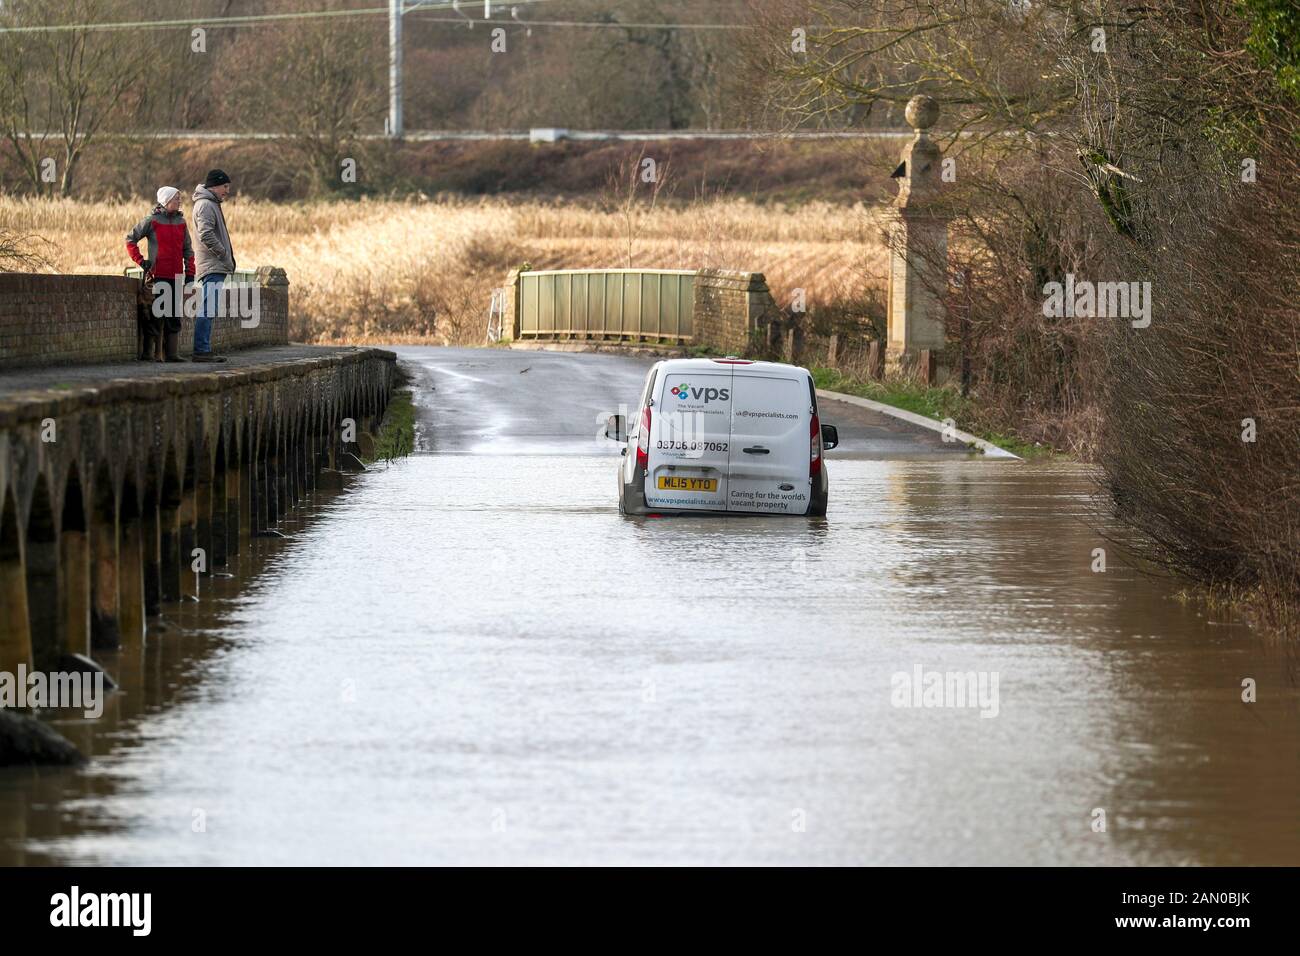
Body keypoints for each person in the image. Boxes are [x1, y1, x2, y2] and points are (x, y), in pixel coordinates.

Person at [126, 186, 195, 363]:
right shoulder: (152, 221)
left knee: (174, 315)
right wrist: (141, 261)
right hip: (158, 275)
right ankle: (148, 354)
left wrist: (190, 272)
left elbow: (188, 250)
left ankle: (172, 354)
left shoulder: (181, 223)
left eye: (179, 198)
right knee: (155, 315)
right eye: (176, 198)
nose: (180, 201)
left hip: (177, 276)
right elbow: (130, 239)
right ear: (166, 201)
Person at [191, 168, 237, 363]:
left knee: (210, 307)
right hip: (212, 265)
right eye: (225, 186)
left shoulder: (210, 204)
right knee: (208, 308)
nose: (227, 190)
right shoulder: (206, 205)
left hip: (214, 265)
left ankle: (204, 349)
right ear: (215, 186)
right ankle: (201, 350)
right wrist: (224, 254)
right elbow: (206, 234)